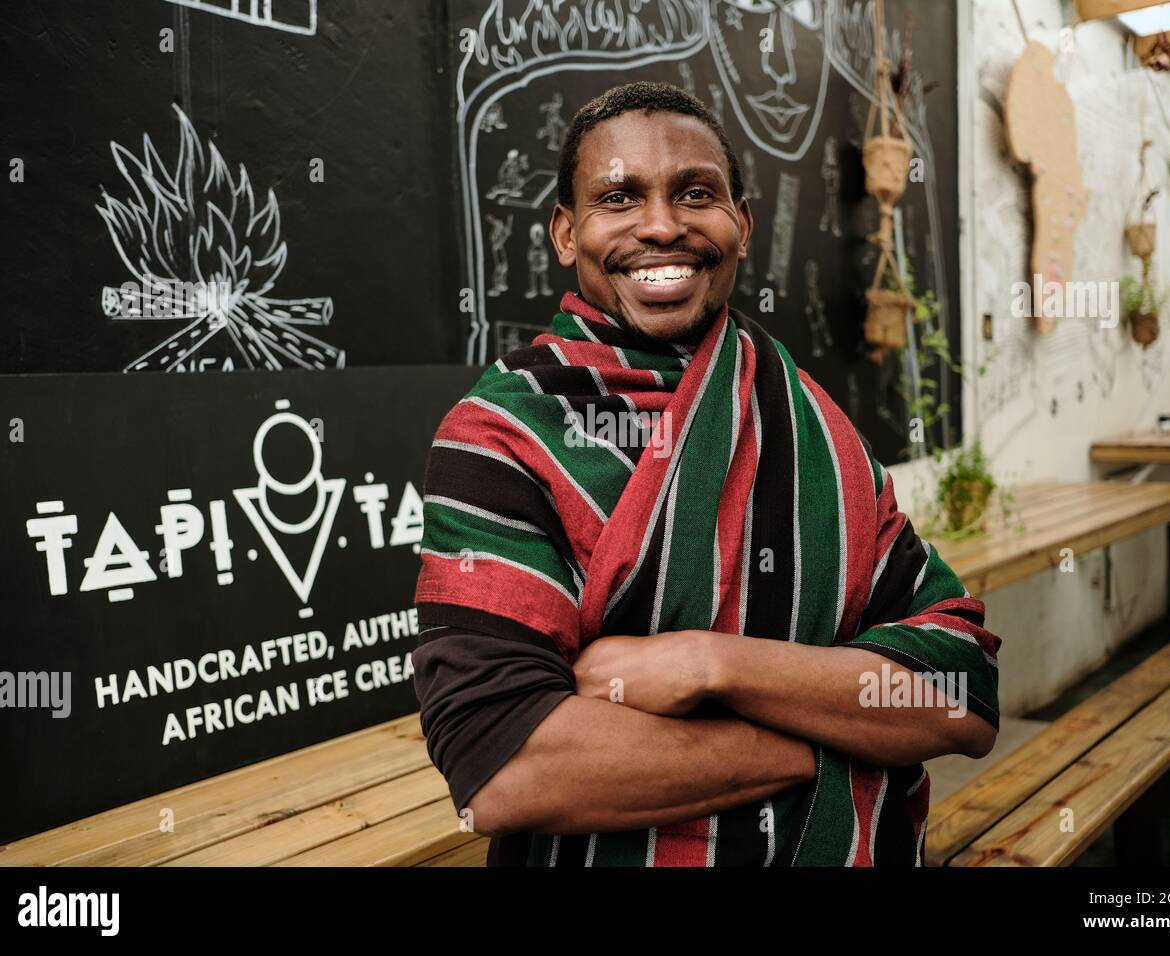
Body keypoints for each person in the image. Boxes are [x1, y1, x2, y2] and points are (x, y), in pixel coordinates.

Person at [412, 81, 1000, 867]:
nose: (662, 225)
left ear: (742, 224)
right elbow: (507, 766)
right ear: (565, 232)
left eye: (696, 193)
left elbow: (960, 691)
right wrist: (823, 747)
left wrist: (706, 665)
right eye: (619, 197)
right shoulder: (502, 435)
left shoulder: (806, 420)